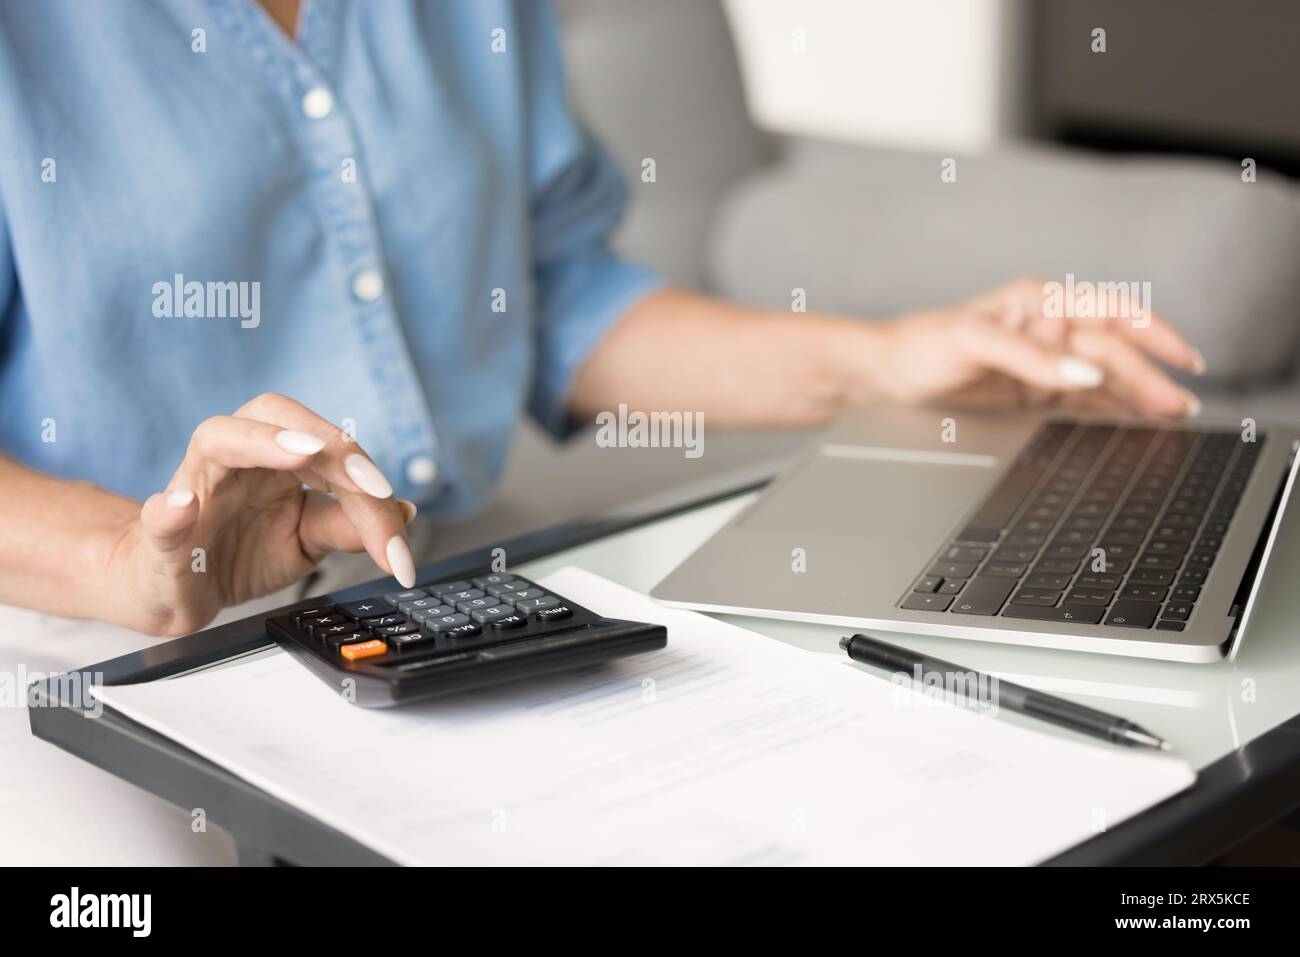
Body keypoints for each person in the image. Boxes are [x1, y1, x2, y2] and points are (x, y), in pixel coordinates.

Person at [0, 0, 1203, 637]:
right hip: (74, 632)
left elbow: (557, 297)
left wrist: (883, 359)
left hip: (436, 583)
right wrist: (125, 562)